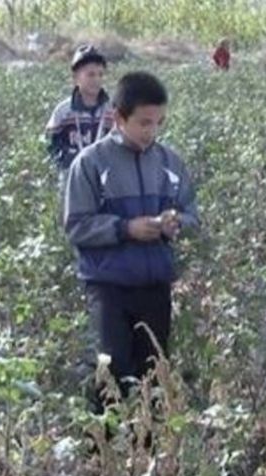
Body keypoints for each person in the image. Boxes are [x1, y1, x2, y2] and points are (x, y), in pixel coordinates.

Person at [64, 71, 200, 413]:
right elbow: (76, 227)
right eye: (143, 123)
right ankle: (103, 458)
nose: (151, 131)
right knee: (111, 372)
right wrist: (125, 229)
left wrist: (174, 223)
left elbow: (192, 215)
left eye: (158, 123)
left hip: (155, 285)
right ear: (118, 118)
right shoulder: (90, 164)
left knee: (153, 375)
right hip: (109, 288)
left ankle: (149, 456)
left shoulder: (170, 162)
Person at [46, 45, 114, 220]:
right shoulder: (63, 111)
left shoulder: (112, 110)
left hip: (105, 180)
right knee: (71, 221)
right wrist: (65, 159)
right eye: (90, 74)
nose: (96, 79)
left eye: (100, 74)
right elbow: (50, 144)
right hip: (71, 178)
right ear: (76, 78)